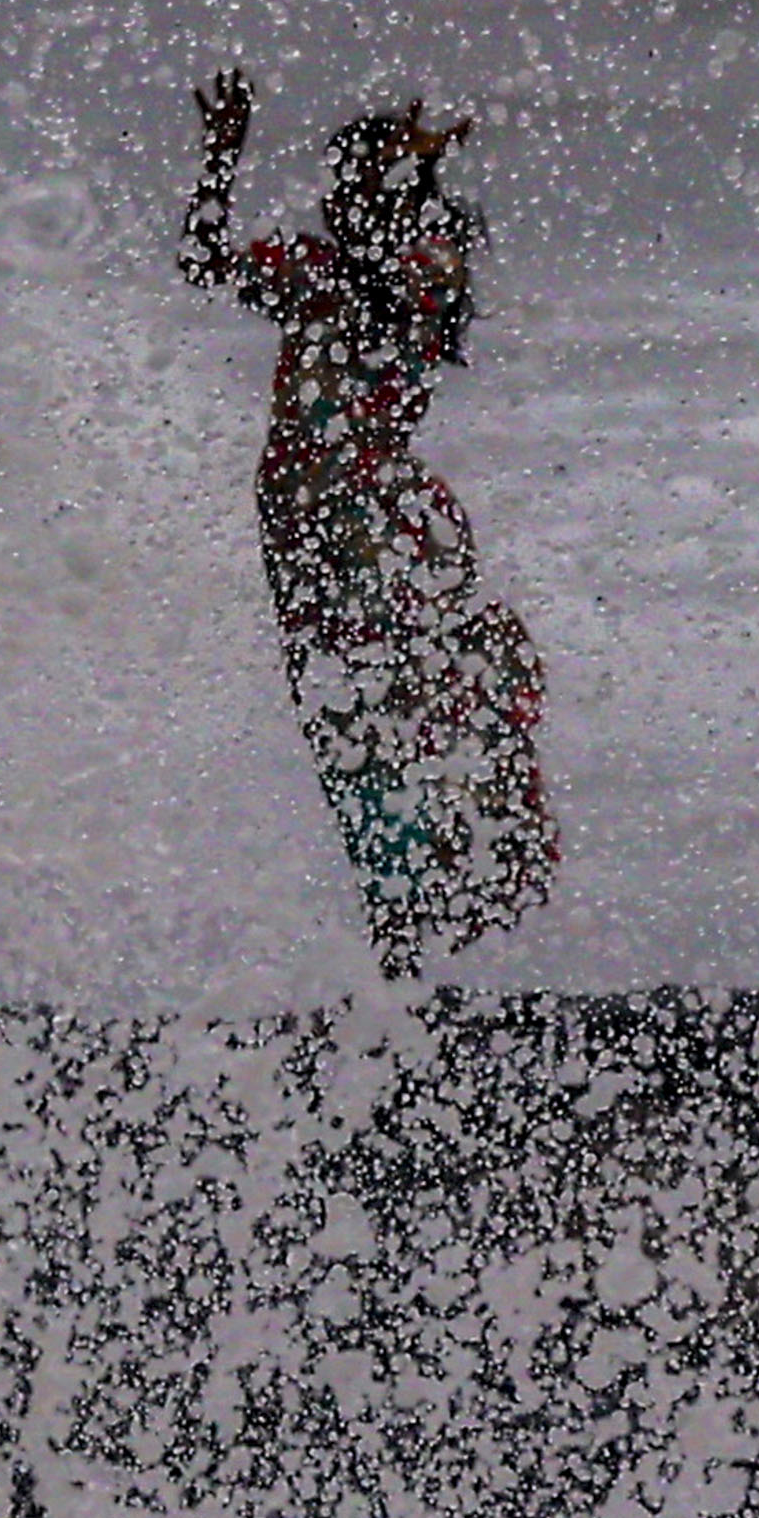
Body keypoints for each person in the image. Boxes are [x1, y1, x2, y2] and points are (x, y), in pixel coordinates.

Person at [178, 67, 558, 979]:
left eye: (351, 187)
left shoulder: (414, 272)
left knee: (389, 713)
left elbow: (399, 308)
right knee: (346, 723)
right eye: (338, 188)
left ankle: (437, 907)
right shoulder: (328, 272)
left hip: (372, 522)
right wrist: (221, 157)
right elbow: (202, 260)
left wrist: (404, 183)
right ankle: (405, 916)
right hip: (305, 524)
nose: (335, 204)